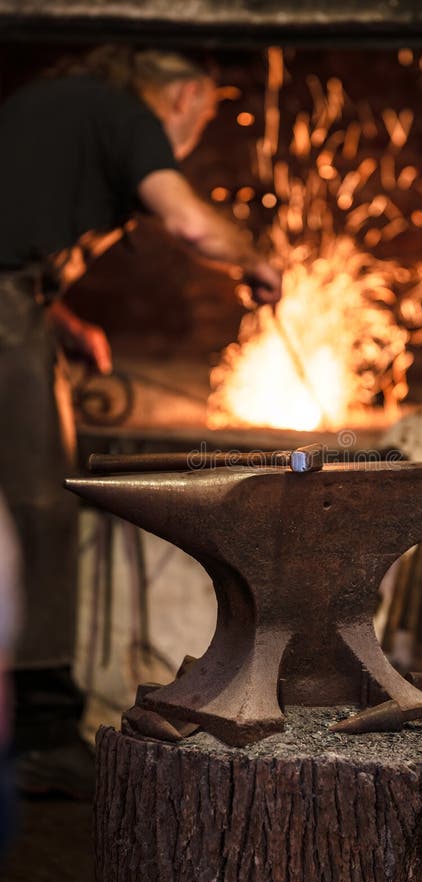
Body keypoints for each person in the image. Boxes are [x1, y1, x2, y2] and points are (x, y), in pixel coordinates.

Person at [0, 45, 281, 795]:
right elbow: (191, 226)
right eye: (206, 115)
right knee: (34, 509)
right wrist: (254, 260)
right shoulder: (128, 114)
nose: (194, 133)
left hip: (21, 306)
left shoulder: (64, 106)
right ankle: (38, 734)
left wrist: (57, 318)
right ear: (186, 94)